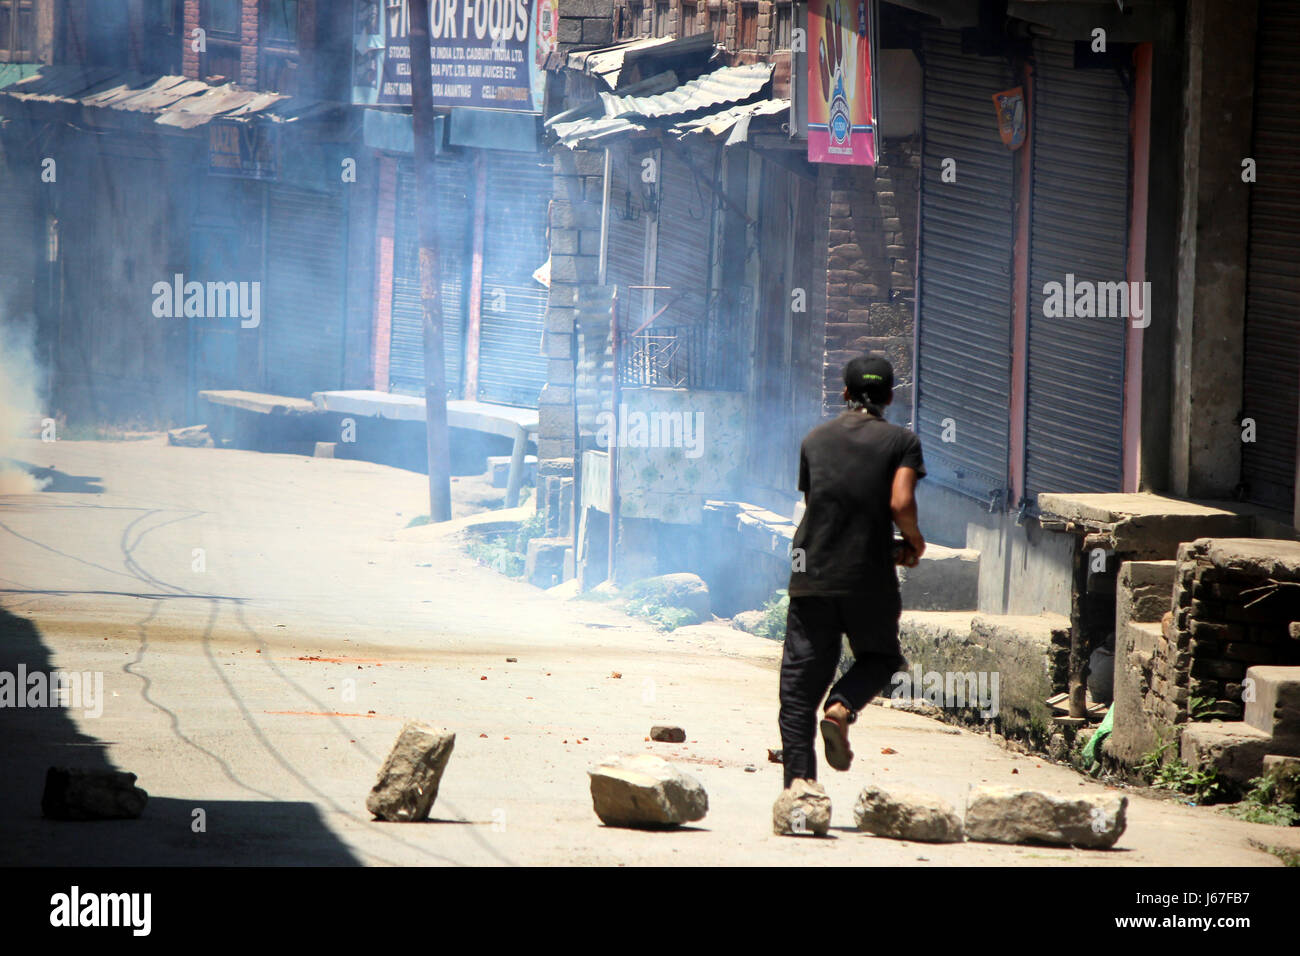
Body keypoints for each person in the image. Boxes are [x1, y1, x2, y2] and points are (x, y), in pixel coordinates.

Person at [777, 355, 926, 793]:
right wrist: (913, 543)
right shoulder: (901, 441)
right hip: (868, 575)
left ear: (843, 394)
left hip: (810, 572)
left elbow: (818, 505)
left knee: (798, 691)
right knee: (879, 658)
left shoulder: (814, 439)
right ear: (890, 397)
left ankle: (801, 789)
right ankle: (842, 708)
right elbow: (900, 504)